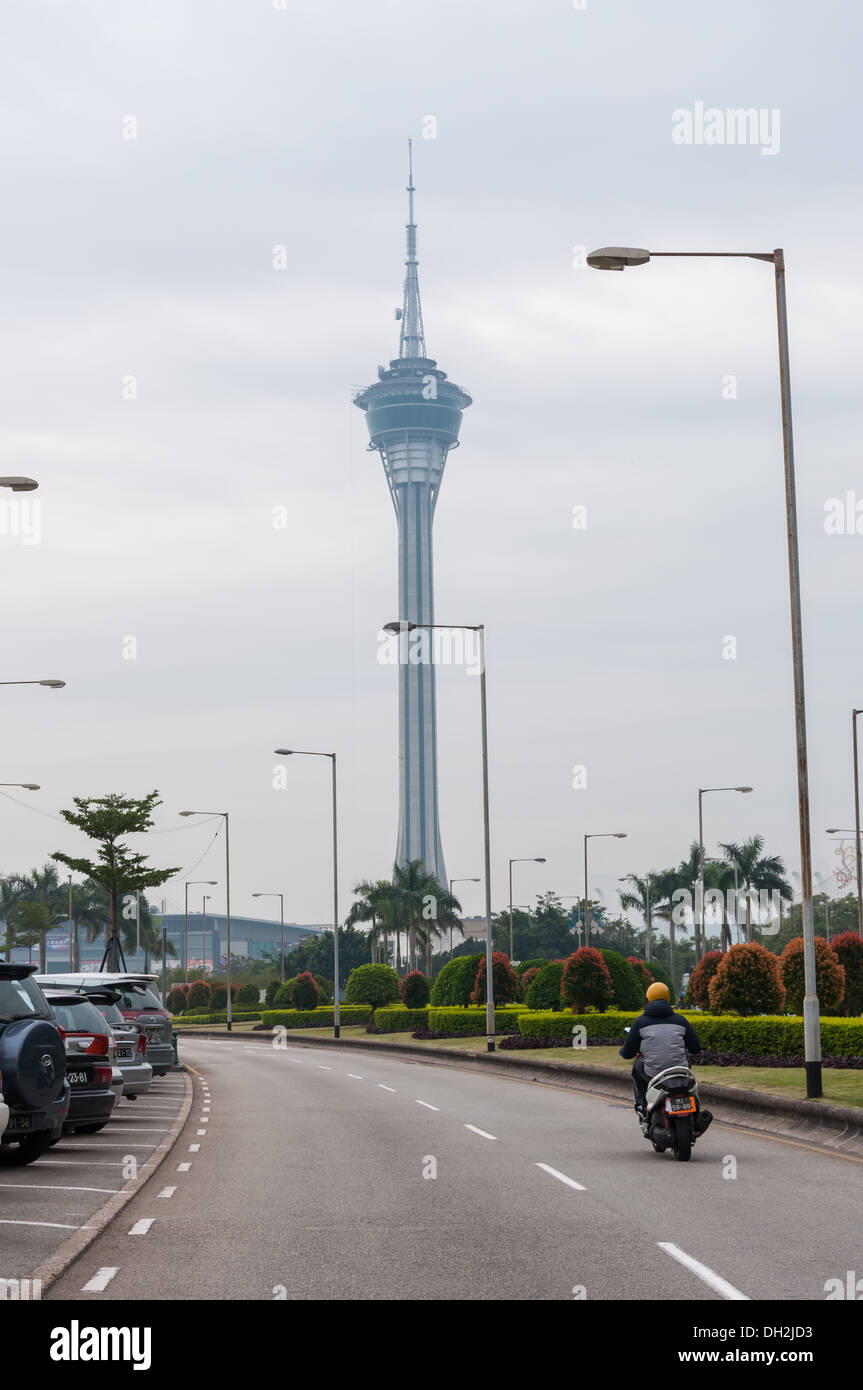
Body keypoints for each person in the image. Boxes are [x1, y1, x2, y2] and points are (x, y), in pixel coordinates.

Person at [619, 981, 702, 1125]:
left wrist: (623, 1050)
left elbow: (627, 1054)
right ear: (668, 998)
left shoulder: (640, 1022)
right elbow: (695, 1048)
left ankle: (643, 1106)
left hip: (653, 1073)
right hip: (680, 1071)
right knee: (687, 1059)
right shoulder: (681, 1020)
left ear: (648, 999)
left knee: (637, 1067)